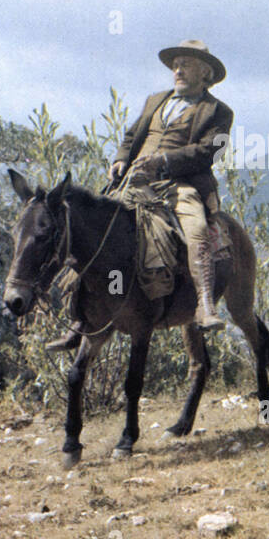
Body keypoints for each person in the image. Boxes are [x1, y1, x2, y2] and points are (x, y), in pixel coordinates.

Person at [109, 39, 233, 331]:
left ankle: (204, 306)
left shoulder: (218, 112)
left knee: (197, 231)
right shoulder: (156, 100)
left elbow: (210, 152)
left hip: (180, 185)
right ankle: (80, 314)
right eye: (175, 65)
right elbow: (130, 137)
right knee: (88, 225)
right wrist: (121, 158)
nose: (177, 70)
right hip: (132, 183)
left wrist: (163, 161)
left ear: (205, 73)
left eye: (185, 65)